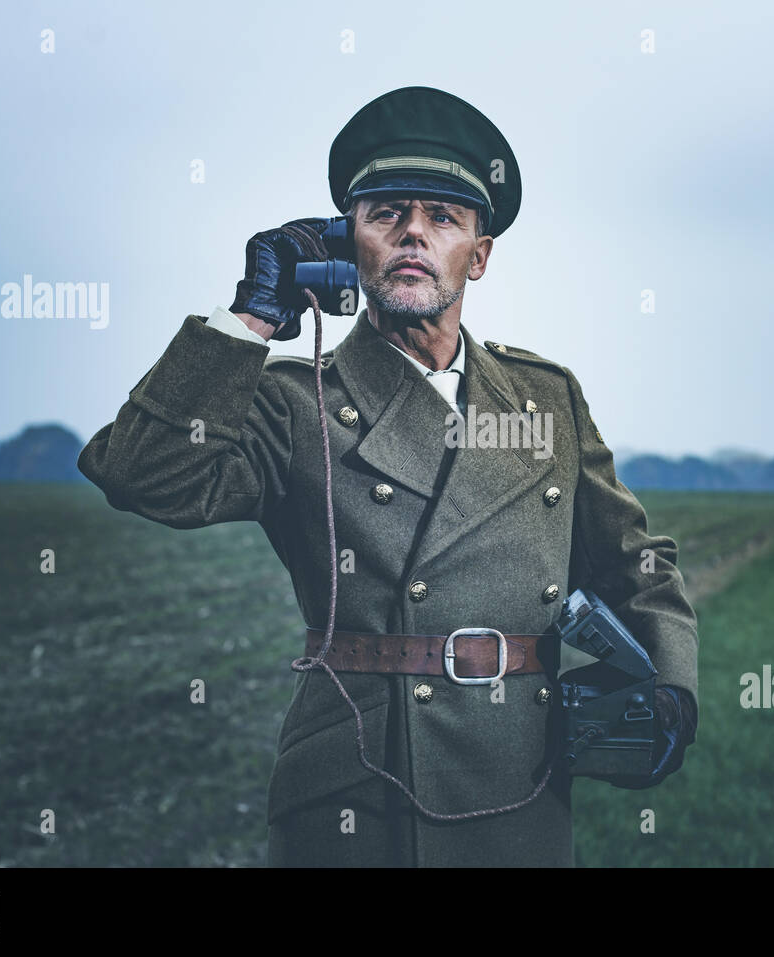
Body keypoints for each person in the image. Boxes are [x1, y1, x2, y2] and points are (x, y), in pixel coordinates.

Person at [77, 86, 698, 867]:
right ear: (351, 244)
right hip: (359, 783)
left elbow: (633, 561)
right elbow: (141, 475)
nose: (412, 233)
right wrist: (254, 315)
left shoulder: (547, 396)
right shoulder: (289, 400)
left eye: (442, 216)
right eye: (386, 214)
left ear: (479, 253)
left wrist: (673, 685)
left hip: (522, 776)